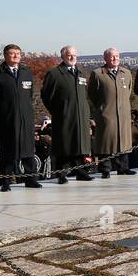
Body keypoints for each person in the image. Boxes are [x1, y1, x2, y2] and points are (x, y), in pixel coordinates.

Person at [0, 44, 40, 190]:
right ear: (6, 55)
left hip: (25, 119)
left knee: (27, 150)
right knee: (7, 151)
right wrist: (2, 111)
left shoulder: (26, 73)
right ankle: (5, 182)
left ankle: (30, 179)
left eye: (18, 53)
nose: (16, 56)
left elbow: (30, 94)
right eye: (12, 53)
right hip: (7, 120)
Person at [40, 45, 94, 183]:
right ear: (63, 56)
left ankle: (81, 171)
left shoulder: (81, 73)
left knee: (80, 145)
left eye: (74, 55)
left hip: (81, 117)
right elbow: (46, 96)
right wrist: (59, 111)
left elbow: (85, 96)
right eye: (69, 55)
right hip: (64, 116)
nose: (72, 58)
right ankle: (61, 174)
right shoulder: (54, 73)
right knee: (64, 145)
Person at [87, 47, 136, 177]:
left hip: (123, 113)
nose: (115, 59)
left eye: (117, 56)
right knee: (106, 142)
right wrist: (102, 107)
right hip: (107, 113)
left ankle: (123, 167)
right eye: (112, 56)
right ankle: (105, 169)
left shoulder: (126, 73)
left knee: (123, 141)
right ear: (105, 58)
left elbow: (128, 91)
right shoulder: (98, 73)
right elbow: (92, 94)